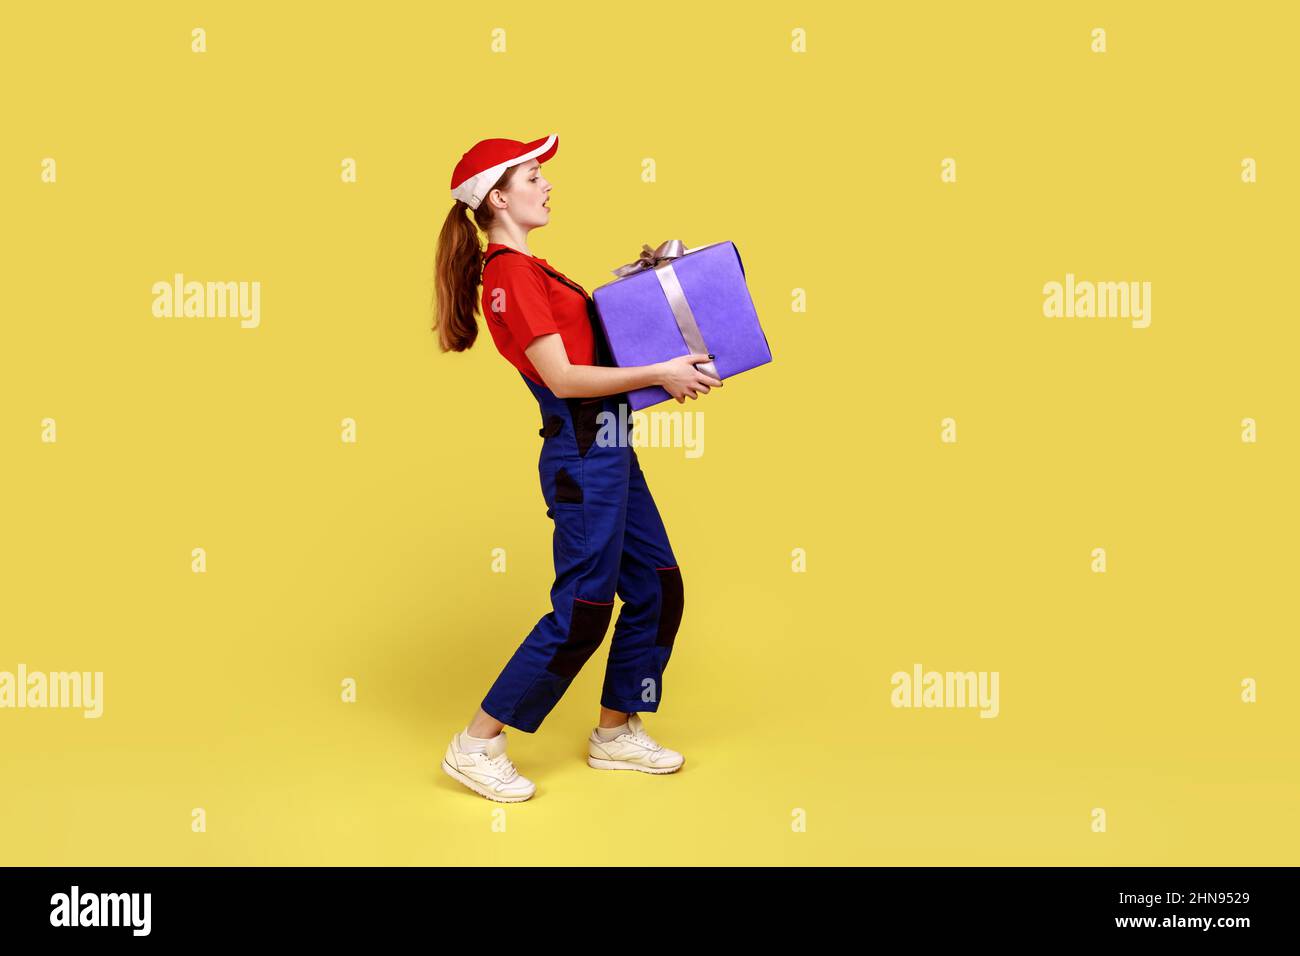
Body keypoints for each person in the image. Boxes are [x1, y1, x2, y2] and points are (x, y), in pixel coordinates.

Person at [431, 134, 722, 802]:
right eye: (534, 176)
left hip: (612, 443)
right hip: (584, 452)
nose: (548, 185)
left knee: (656, 584)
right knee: (584, 607)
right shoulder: (507, 274)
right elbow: (561, 377)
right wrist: (662, 372)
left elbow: (592, 341)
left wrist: (646, 287)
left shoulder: (536, 271)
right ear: (498, 197)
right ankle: (477, 743)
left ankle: (615, 733)